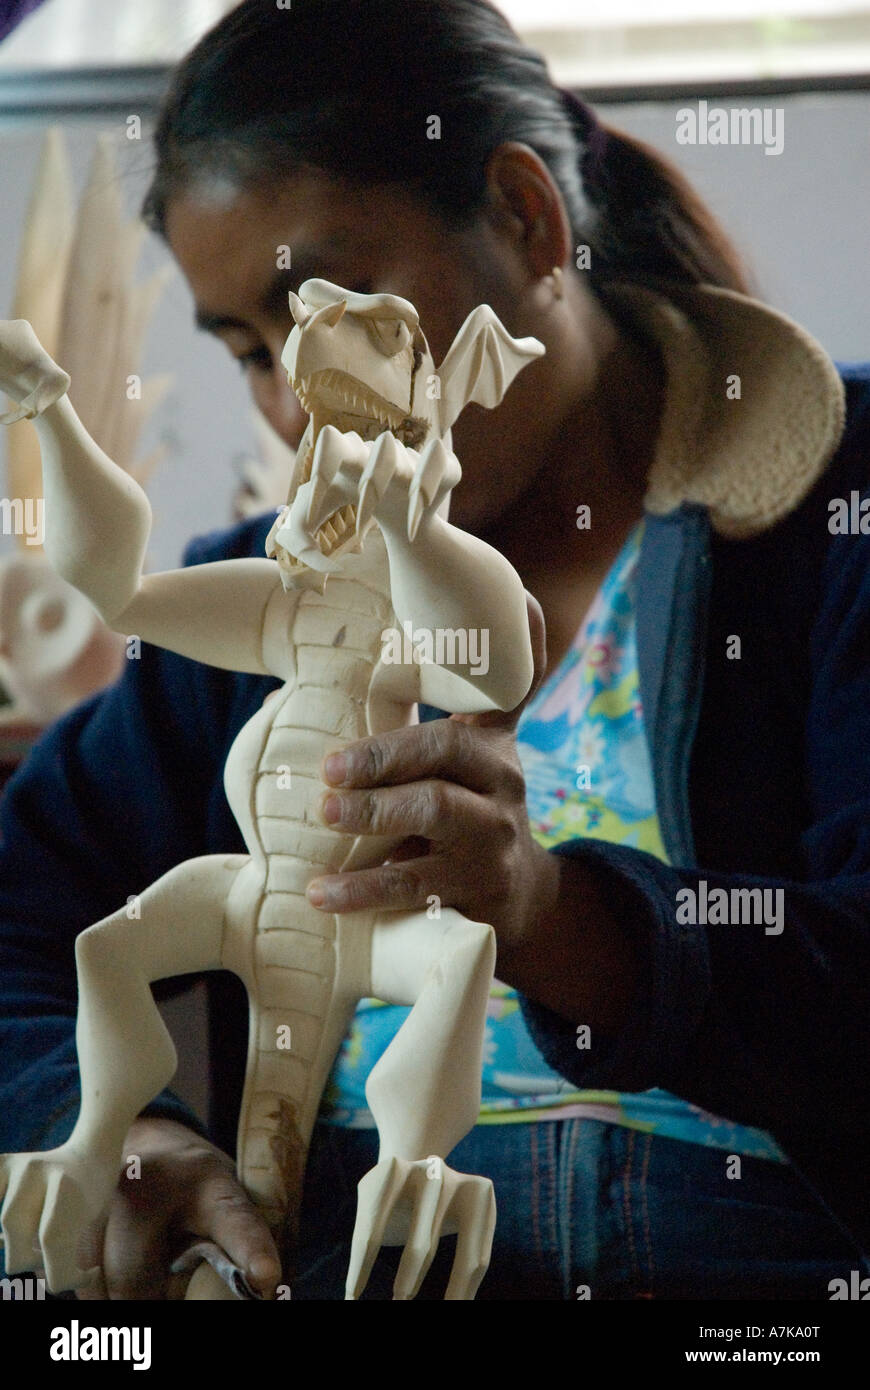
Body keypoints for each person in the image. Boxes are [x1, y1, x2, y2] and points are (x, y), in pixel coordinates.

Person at [1, 0, 867, 1301]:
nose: (298, 404)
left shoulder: (828, 513)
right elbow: (20, 900)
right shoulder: (263, 599)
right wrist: (125, 1126)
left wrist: (560, 918)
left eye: (322, 307)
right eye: (249, 352)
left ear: (525, 217)